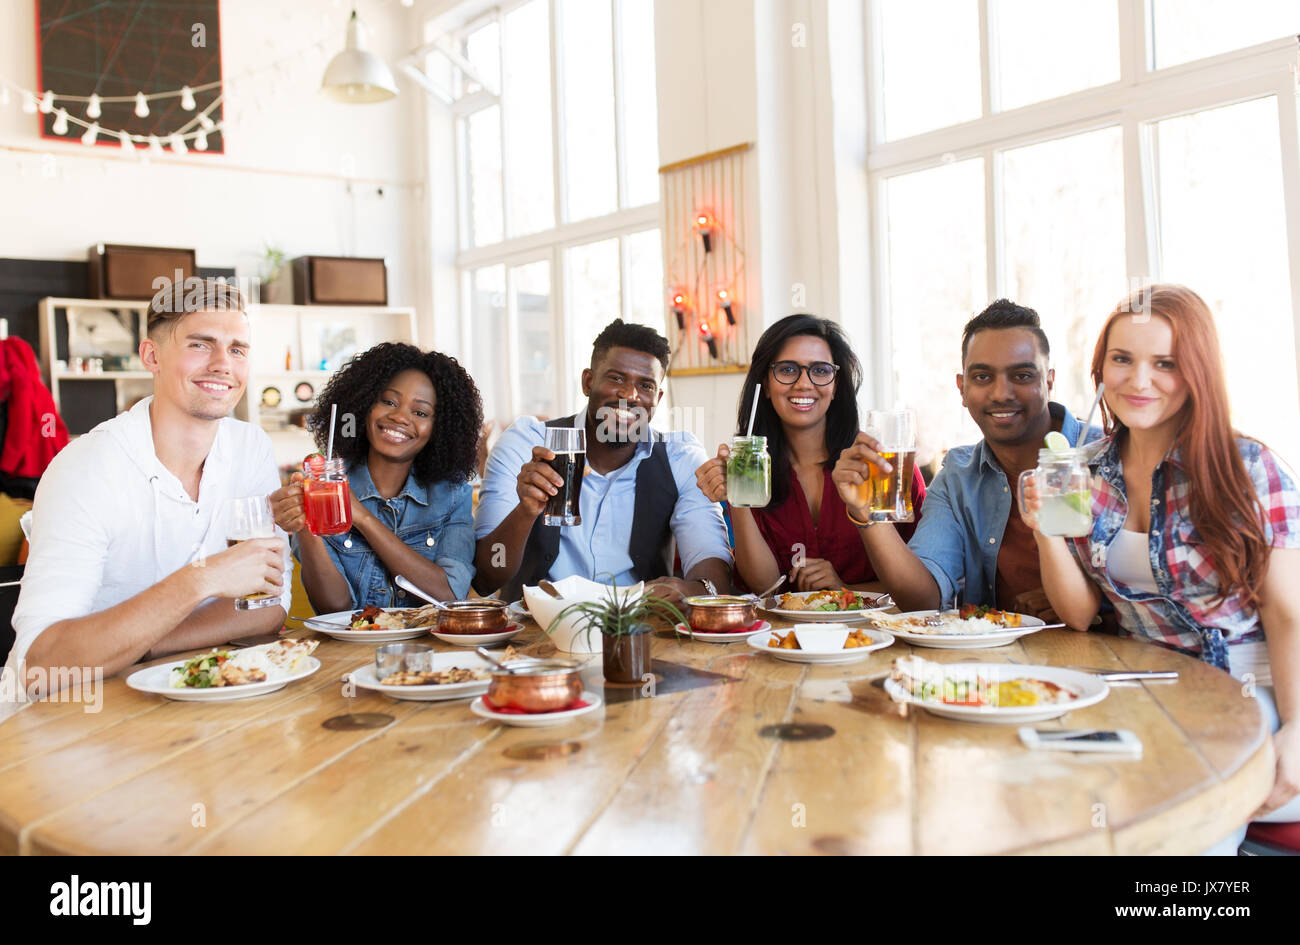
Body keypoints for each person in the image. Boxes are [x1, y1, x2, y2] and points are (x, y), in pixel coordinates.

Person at [1022, 284, 1300, 848]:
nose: (1138, 380)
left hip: (1248, 693)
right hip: (1145, 688)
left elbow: (1289, 614)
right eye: (1122, 359)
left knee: (1168, 835)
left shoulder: (1248, 467)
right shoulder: (1088, 468)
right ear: (1100, 366)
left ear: (1196, 372)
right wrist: (1044, 531)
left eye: (1165, 363)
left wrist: (1298, 730)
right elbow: (1078, 615)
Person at [3, 279, 290, 704]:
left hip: (184, 701)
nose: (222, 364)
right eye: (200, 344)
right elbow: (41, 667)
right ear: (151, 356)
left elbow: (267, 606)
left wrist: (141, 644)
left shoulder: (250, 448)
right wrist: (202, 579)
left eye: (237, 349)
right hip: (62, 724)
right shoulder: (83, 468)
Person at [832, 299, 1100, 615]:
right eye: (983, 377)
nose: (1001, 393)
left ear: (1049, 381)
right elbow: (921, 601)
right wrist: (867, 514)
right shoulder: (959, 476)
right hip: (996, 659)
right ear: (962, 388)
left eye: (1022, 375)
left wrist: (1091, 605)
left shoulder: (1104, 454)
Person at [474, 319, 732, 602]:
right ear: (588, 382)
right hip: (536, 631)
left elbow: (715, 577)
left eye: (645, 385)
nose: (629, 396)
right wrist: (525, 512)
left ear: (657, 398)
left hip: (638, 630)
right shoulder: (526, 443)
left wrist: (693, 590)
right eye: (616, 378)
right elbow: (488, 575)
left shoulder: (680, 457)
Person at [694, 314, 925, 593]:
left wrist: (845, 591)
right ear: (766, 384)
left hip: (877, 635)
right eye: (788, 370)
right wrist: (737, 495)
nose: (804, 384)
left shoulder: (882, 466)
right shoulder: (750, 468)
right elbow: (764, 587)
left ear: (836, 384)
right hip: (779, 636)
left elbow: (922, 589)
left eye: (820, 370)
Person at [271, 343, 482, 612]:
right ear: (365, 404)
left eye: (420, 412)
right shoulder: (323, 487)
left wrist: (362, 517)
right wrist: (305, 526)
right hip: (349, 652)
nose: (399, 417)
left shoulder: (452, 495)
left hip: (429, 650)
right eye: (388, 401)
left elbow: (450, 596)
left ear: (439, 428)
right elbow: (334, 609)